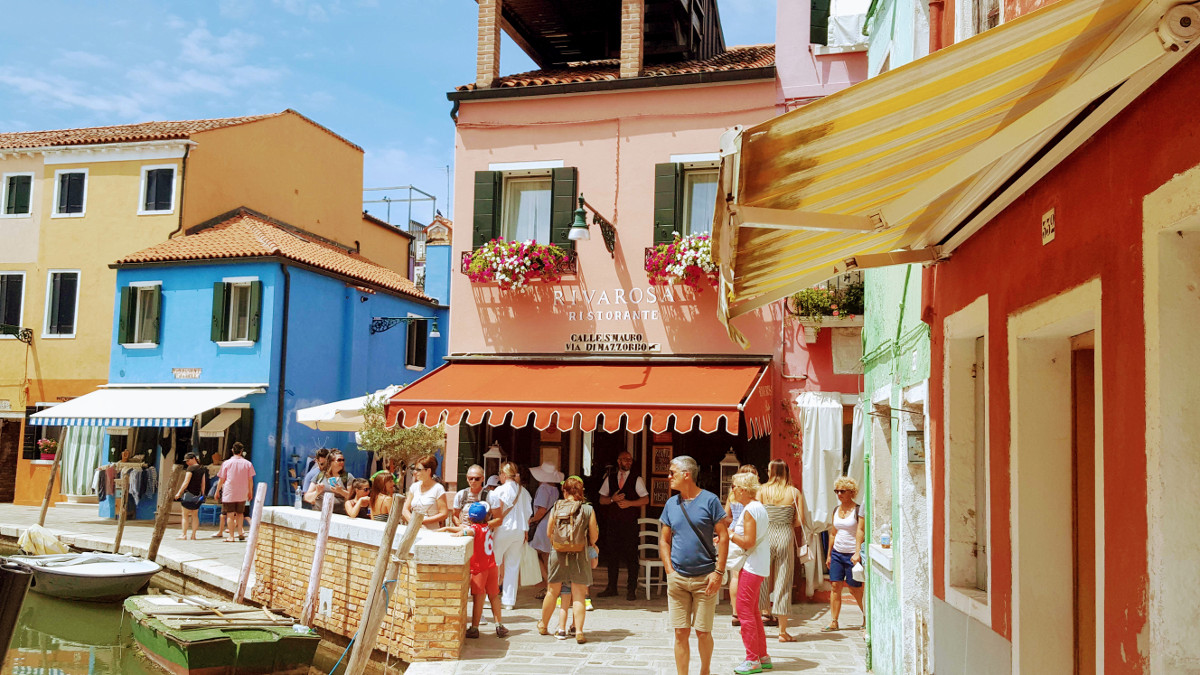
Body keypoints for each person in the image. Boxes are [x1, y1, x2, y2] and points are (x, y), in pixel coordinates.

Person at [659, 456, 728, 675]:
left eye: (672, 473)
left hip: (705, 579)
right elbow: (664, 540)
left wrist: (719, 572)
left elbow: (723, 536)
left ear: (686, 474)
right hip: (678, 578)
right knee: (680, 632)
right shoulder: (671, 504)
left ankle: (705, 671)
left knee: (703, 632)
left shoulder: (710, 501)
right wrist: (669, 570)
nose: (669, 477)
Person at [537, 476, 599, 644]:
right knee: (579, 594)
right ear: (581, 492)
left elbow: (549, 532)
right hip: (580, 555)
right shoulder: (588, 509)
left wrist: (559, 545)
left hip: (558, 553)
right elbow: (593, 536)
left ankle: (543, 625)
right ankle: (579, 631)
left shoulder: (557, 506)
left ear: (564, 491)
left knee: (552, 591)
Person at [439, 502, 508, 638]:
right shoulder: (487, 527)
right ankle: (499, 625)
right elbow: (467, 528)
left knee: (479, 597)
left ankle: (474, 628)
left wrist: (453, 532)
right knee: (494, 596)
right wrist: (448, 528)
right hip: (492, 565)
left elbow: (467, 531)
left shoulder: (474, 529)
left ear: (470, 517)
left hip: (479, 568)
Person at [757, 459, 806, 641]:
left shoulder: (762, 490)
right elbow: (800, 520)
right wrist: (786, 523)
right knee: (784, 580)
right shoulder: (794, 492)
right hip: (785, 534)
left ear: (771, 471)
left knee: (761, 577)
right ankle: (782, 631)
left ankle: (763, 613)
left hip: (766, 534)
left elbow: (756, 514)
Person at [729, 472, 772, 674]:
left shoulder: (749, 510)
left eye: (734, 486)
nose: (733, 490)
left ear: (743, 489)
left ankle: (752, 659)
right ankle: (762, 655)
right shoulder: (758, 507)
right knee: (753, 611)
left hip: (753, 565)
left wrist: (729, 534)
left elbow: (748, 542)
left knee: (744, 610)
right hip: (759, 563)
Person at [598, 450, 649, 601]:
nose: (628, 462)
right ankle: (611, 587)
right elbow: (602, 500)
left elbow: (645, 500)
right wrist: (612, 499)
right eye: (625, 460)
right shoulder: (610, 478)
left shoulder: (636, 479)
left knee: (631, 556)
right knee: (612, 556)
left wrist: (630, 504)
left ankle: (631, 589)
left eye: (630, 460)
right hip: (613, 523)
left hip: (630, 524)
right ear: (618, 461)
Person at [488, 461, 531, 610]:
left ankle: (490, 596)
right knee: (513, 565)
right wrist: (526, 532)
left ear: (504, 474)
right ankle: (509, 601)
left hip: (502, 529)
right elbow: (528, 514)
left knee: (494, 561)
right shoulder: (524, 492)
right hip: (519, 531)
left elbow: (495, 511)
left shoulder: (499, 491)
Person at [824, 475, 865, 632]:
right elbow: (833, 533)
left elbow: (860, 531)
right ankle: (834, 621)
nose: (839, 494)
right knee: (835, 586)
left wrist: (857, 553)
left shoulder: (857, 510)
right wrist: (829, 554)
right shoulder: (836, 510)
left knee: (855, 588)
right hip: (837, 553)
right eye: (837, 491)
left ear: (851, 492)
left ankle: (866, 617)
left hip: (851, 554)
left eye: (843, 491)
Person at [724, 464, 759, 626]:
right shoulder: (755, 496)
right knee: (750, 573)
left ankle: (735, 612)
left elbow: (725, 516)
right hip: (747, 534)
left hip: (734, 534)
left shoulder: (732, 495)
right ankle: (748, 610)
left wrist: (732, 528)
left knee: (736, 575)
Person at [529, 459, 564, 600]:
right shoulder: (555, 489)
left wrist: (532, 520)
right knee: (546, 556)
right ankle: (551, 584)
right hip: (550, 523)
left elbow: (541, 510)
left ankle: (550, 584)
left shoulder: (543, 488)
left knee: (535, 553)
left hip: (542, 525)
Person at [215, 442, 255, 543]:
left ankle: (231, 536)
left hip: (229, 492)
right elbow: (250, 480)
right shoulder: (248, 464)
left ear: (232, 450)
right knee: (240, 514)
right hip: (242, 492)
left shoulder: (227, 463)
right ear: (241, 451)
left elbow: (222, 479)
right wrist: (250, 492)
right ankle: (240, 532)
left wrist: (217, 491)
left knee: (230, 514)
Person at [402, 453, 449, 530]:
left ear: (428, 471)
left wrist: (422, 521)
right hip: (412, 530)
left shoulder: (438, 489)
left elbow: (444, 514)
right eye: (414, 469)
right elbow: (405, 509)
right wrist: (414, 522)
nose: (415, 472)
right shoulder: (414, 487)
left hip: (431, 532)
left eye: (418, 470)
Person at [174, 452, 206, 540]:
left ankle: (184, 534)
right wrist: (202, 494)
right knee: (195, 515)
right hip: (197, 495)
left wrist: (179, 493)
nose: (187, 462)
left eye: (188, 460)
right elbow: (203, 483)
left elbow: (186, 482)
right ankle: (193, 535)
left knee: (185, 515)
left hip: (188, 495)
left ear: (193, 459)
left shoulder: (190, 468)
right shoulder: (202, 468)